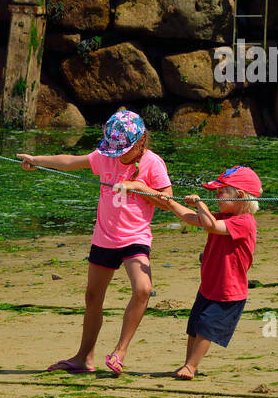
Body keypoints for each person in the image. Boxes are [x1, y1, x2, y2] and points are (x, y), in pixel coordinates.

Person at [17, 109, 172, 376]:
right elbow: (69, 161)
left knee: (143, 289)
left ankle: (120, 351)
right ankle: (84, 356)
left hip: (134, 238)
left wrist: (139, 187)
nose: (118, 156)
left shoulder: (153, 163)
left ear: (140, 142)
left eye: (123, 151)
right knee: (92, 298)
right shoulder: (105, 158)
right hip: (104, 237)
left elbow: (168, 201)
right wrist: (36, 160)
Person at [155, 166, 262, 380]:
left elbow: (212, 226)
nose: (216, 197)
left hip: (228, 290)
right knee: (194, 326)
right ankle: (187, 363)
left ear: (239, 196)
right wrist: (170, 202)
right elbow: (194, 219)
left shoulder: (244, 222)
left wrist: (200, 203)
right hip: (209, 285)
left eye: (220, 193)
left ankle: (192, 366)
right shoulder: (223, 215)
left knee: (206, 327)